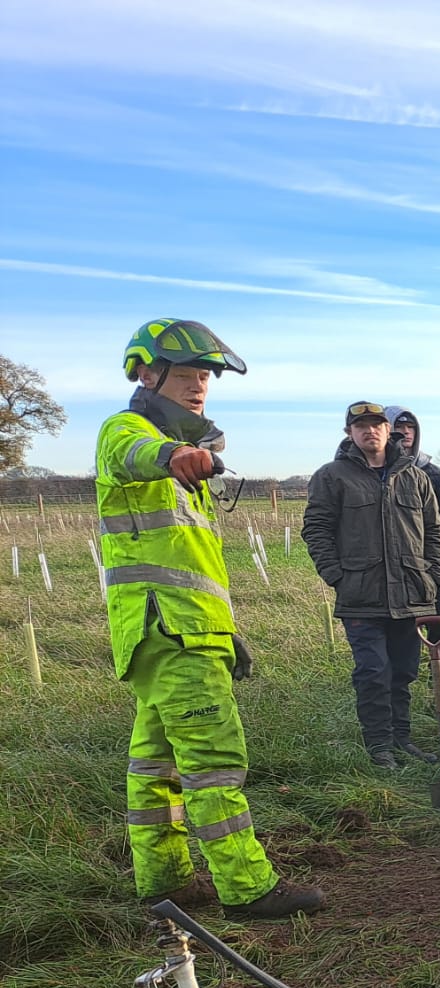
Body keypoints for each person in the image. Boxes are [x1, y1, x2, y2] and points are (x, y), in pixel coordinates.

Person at [95, 318, 323, 920]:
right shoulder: (130, 431)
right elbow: (134, 452)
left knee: (155, 765)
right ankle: (248, 887)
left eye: (205, 378)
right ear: (147, 372)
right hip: (171, 631)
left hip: (169, 633)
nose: (200, 387)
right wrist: (174, 453)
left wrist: (228, 631)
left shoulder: (189, 467)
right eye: (190, 375)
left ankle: (165, 881)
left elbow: (184, 561)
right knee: (213, 761)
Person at [303, 402, 440, 769]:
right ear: (350, 433)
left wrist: (431, 575)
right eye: (361, 426)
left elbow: (435, 531)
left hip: (411, 596)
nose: (370, 431)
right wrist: (337, 575)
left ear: (388, 430)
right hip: (361, 595)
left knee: (403, 671)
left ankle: (402, 739)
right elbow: (316, 530)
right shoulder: (332, 477)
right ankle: (379, 746)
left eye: (377, 425)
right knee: (373, 671)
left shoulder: (415, 477)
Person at [388, 409, 440, 675]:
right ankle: (406, 668)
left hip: (428, 561)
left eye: (410, 428)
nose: (405, 432)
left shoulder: (430, 471)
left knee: (436, 614)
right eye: (399, 427)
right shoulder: (378, 472)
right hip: (393, 562)